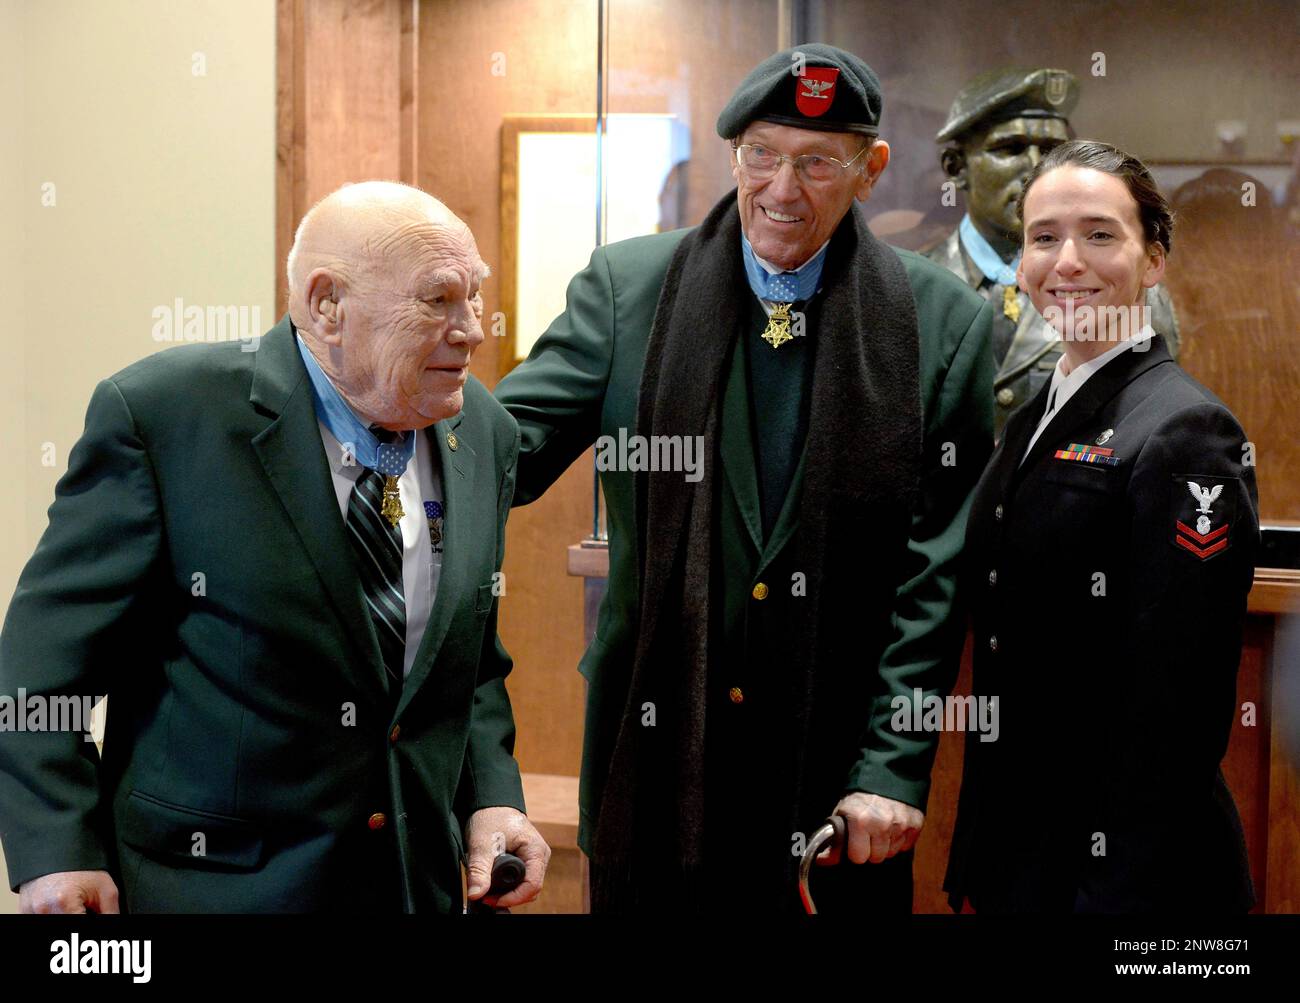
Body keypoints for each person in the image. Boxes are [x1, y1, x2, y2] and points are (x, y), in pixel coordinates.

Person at [496, 44, 994, 913]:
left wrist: (890, 766)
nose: (781, 189)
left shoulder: (942, 323)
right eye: (760, 154)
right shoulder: (626, 290)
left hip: (836, 787)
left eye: (815, 162)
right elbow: (498, 458)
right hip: (652, 758)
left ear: (870, 170)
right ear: (733, 155)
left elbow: (935, 578)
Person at [0, 181, 549, 913]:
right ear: (327, 305)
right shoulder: (167, 417)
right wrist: (57, 851)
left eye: (474, 297)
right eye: (438, 300)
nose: (473, 328)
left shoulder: (482, 429)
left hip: (412, 887)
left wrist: (492, 800)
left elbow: (467, 664)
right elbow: (42, 669)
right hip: (215, 888)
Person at [944, 140, 1259, 913]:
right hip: (1024, 861)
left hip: (1126, 885)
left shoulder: (1185, 430)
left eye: (1101, 234)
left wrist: (1108, 896)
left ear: (1154, 259)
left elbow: (1176, 715)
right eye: (1043, 237)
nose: (1067, 261)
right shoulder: (1038, 414)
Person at [925, 66, 1179, 436]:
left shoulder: (1131, 295)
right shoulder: (912, 290)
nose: (1033, 167)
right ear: (956, 167)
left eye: (1049, 151)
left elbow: (1149, 431)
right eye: (1009, 149)